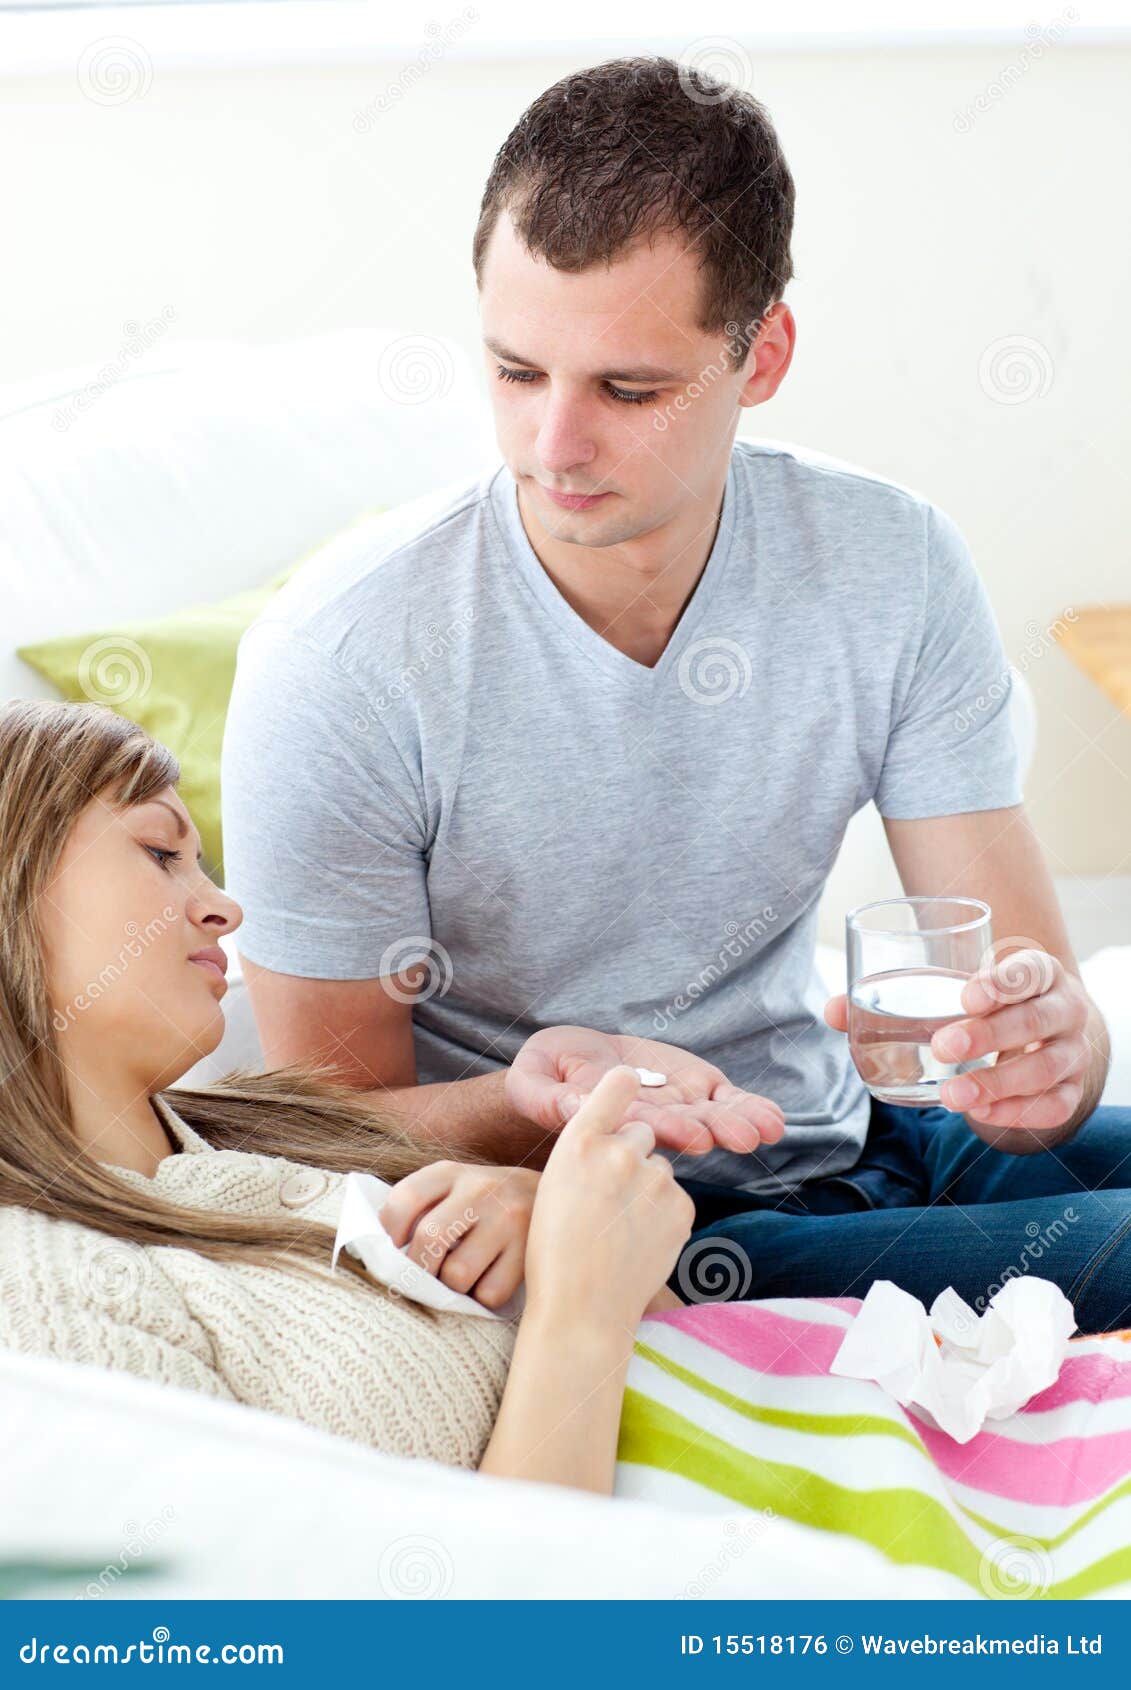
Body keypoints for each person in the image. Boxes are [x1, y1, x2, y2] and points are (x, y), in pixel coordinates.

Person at [220, 55, 1130, 1329]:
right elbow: (320, 1136)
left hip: (857, 1133)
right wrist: (536, 1116)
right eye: (517, 371)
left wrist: (1056, 1054)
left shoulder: (891, 565)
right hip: (636, 1220)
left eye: (626, 389)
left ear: (761, 356)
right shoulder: (344, 658)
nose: (553, 448)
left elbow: (1033, 1000)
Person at [0, 697, 778, 1494]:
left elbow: (681, 1347)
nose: (224, 909)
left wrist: (534, 1203)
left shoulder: (255, 1145)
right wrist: (579, 1312)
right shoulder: (40, 1295)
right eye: (162, 851)